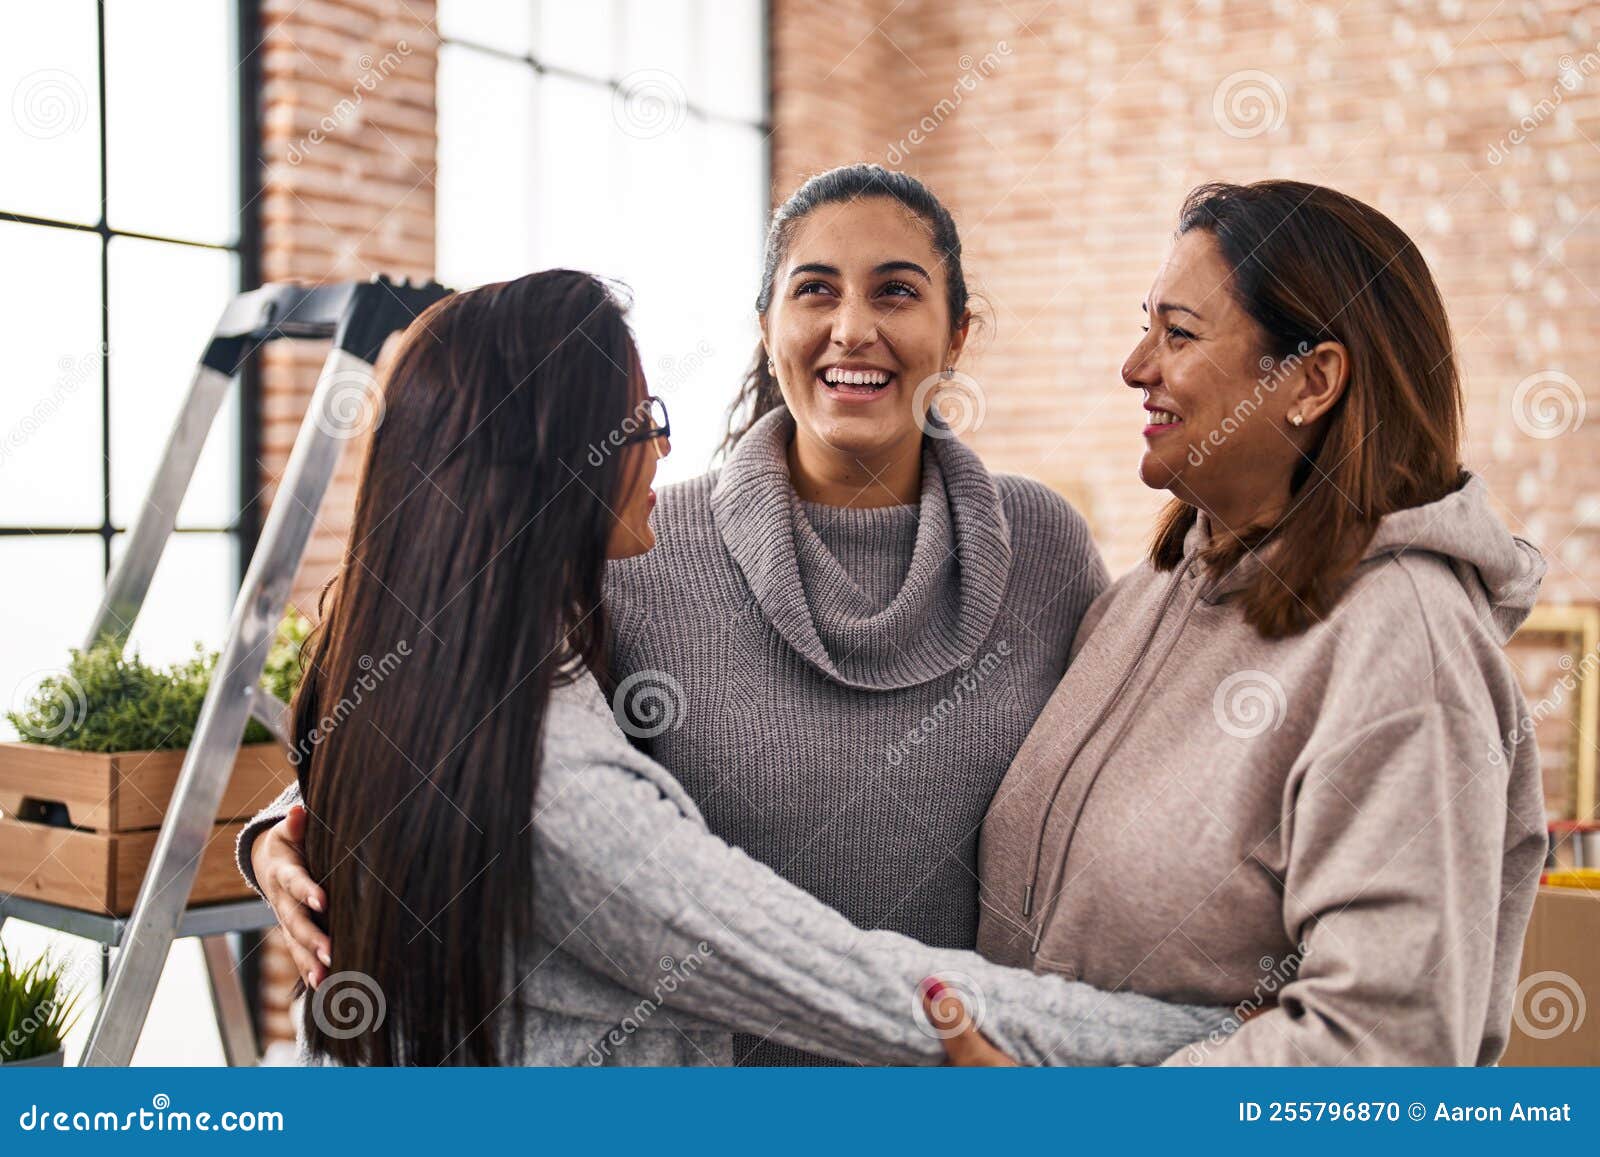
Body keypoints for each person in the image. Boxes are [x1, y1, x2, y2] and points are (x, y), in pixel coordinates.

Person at [237, 268, 1233, 1066]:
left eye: (896, 291)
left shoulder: (416, 668)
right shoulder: (566, 779)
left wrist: (276, 841)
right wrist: (1232, 1045)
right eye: (637, 420)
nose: (659, 446)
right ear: (552, 462)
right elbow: (852, 983)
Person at [973, 181, 1548, 1066]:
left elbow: (1383, 1048)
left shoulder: (1406, 648)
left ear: (1311, 380)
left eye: (1179, 333)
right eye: (1145, 325)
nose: (1136, 365)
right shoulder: (1139, 603)